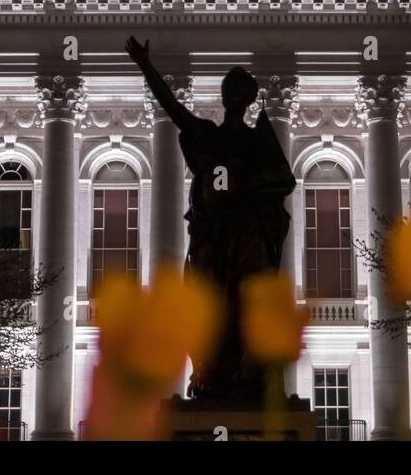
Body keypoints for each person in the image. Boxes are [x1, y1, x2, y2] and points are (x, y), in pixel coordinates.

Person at [125, 35, 294, 398]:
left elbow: (283, 180)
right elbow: (172, 108)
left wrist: (252, 186)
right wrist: (146, 67)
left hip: (244, 228)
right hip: (212, 232)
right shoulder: (207, 134)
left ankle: (249, 372)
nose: (231, 95)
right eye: (227, 89)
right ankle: (208, 370)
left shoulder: (256, 141)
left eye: (237, 90)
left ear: (247, 99)